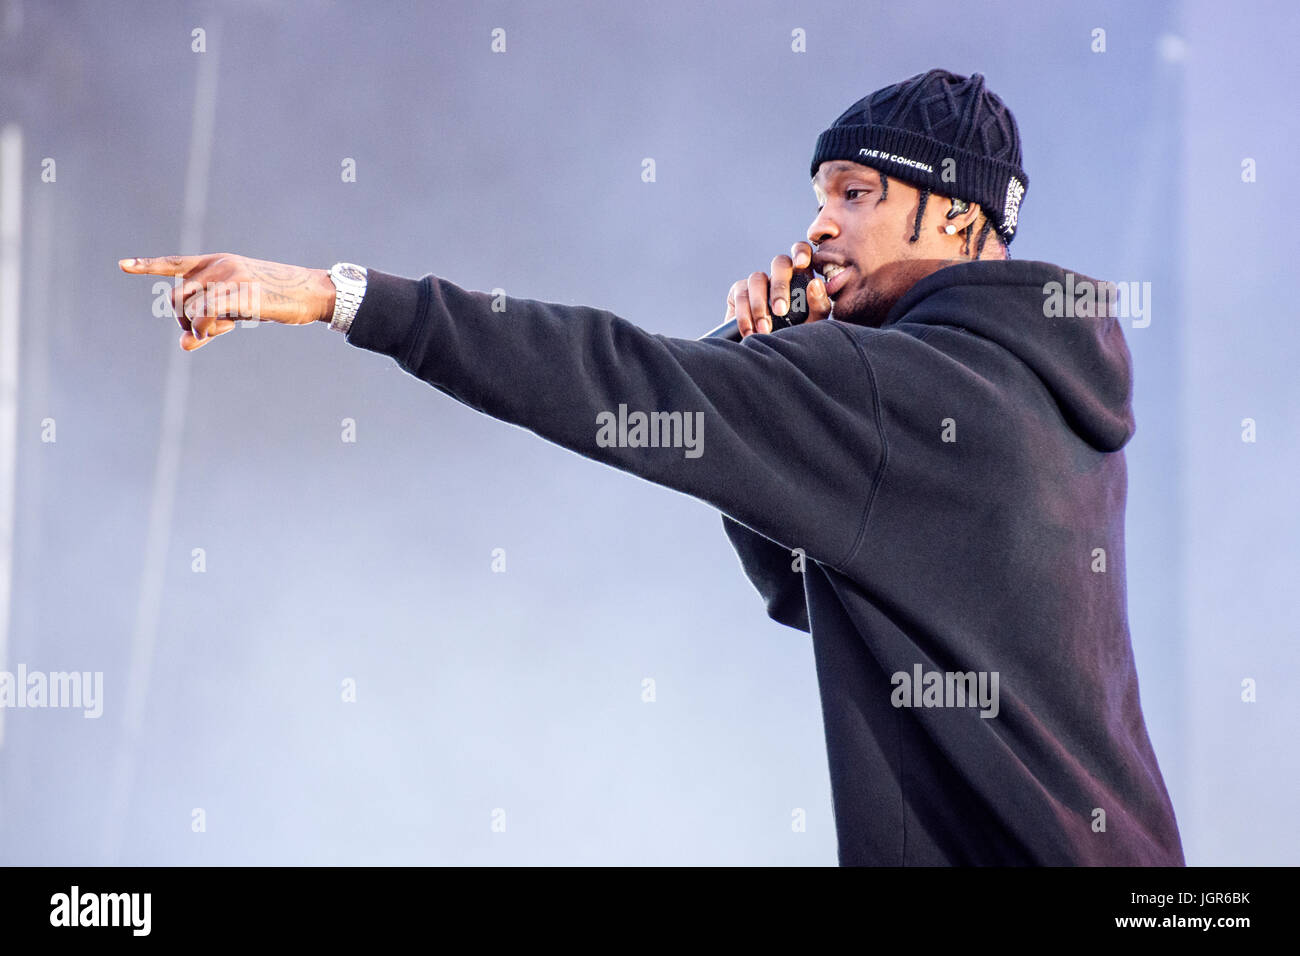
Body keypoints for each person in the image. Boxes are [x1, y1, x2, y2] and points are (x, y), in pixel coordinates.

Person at [119, 69, 1185, 866]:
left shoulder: (904, 391)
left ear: (956, 211)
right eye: (822, 192)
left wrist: (335, 295)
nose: (819, 221)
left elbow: (623, 382)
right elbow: (806, 580)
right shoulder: (1040, 388)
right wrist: (763, 361)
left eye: (857, 192)